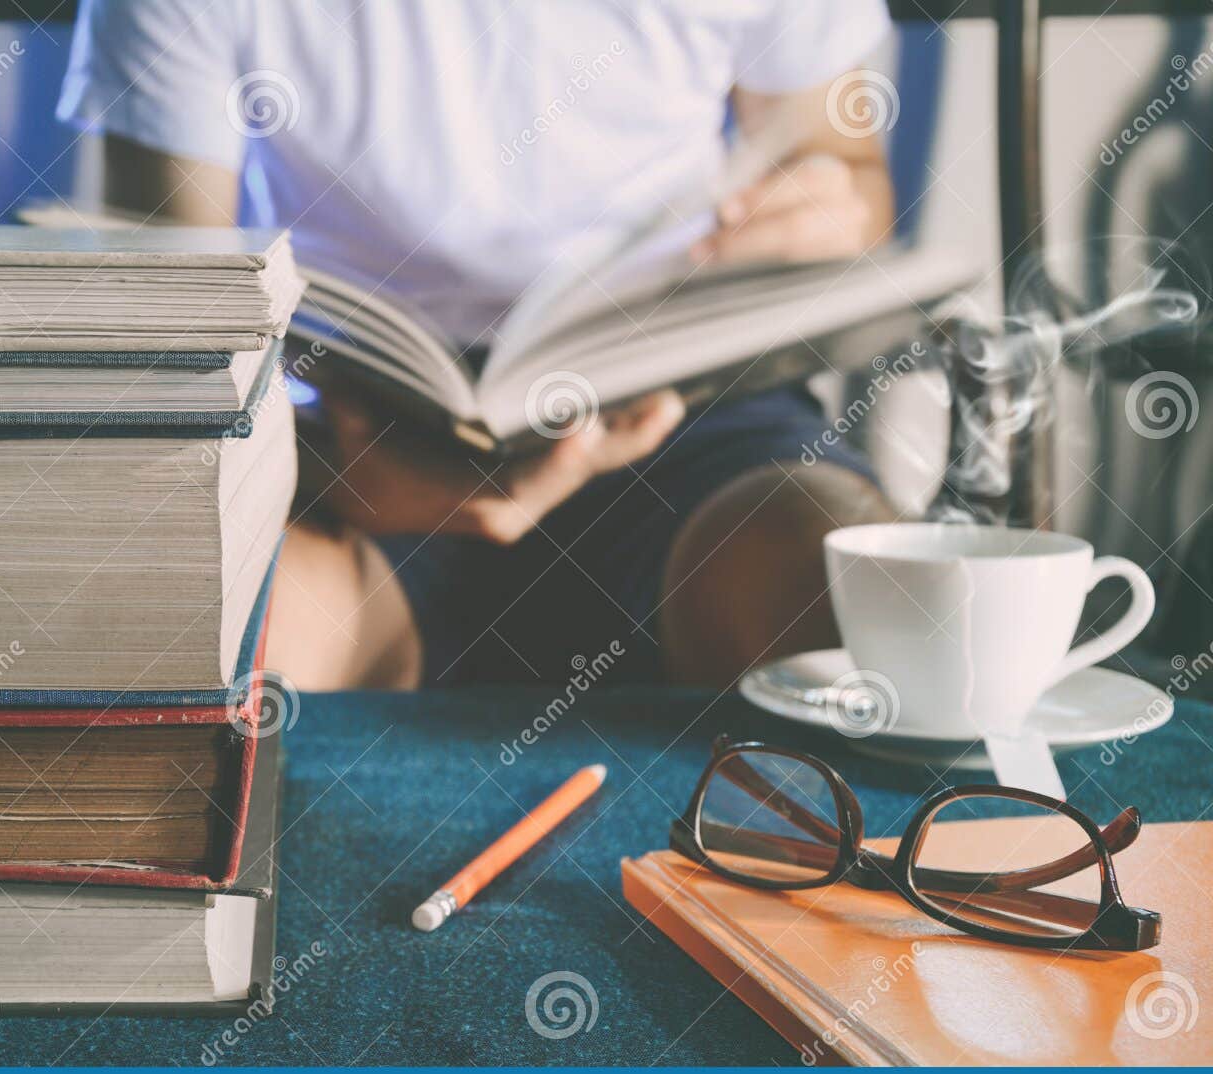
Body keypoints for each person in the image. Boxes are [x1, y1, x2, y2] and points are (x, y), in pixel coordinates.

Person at [59, 0, 899, 692]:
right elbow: (169, 335)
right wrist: (314, 464)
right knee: (204, 640)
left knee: (858, 609)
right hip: (348, 427)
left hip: (679, 401)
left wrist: (824, 212)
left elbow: (848, 174)